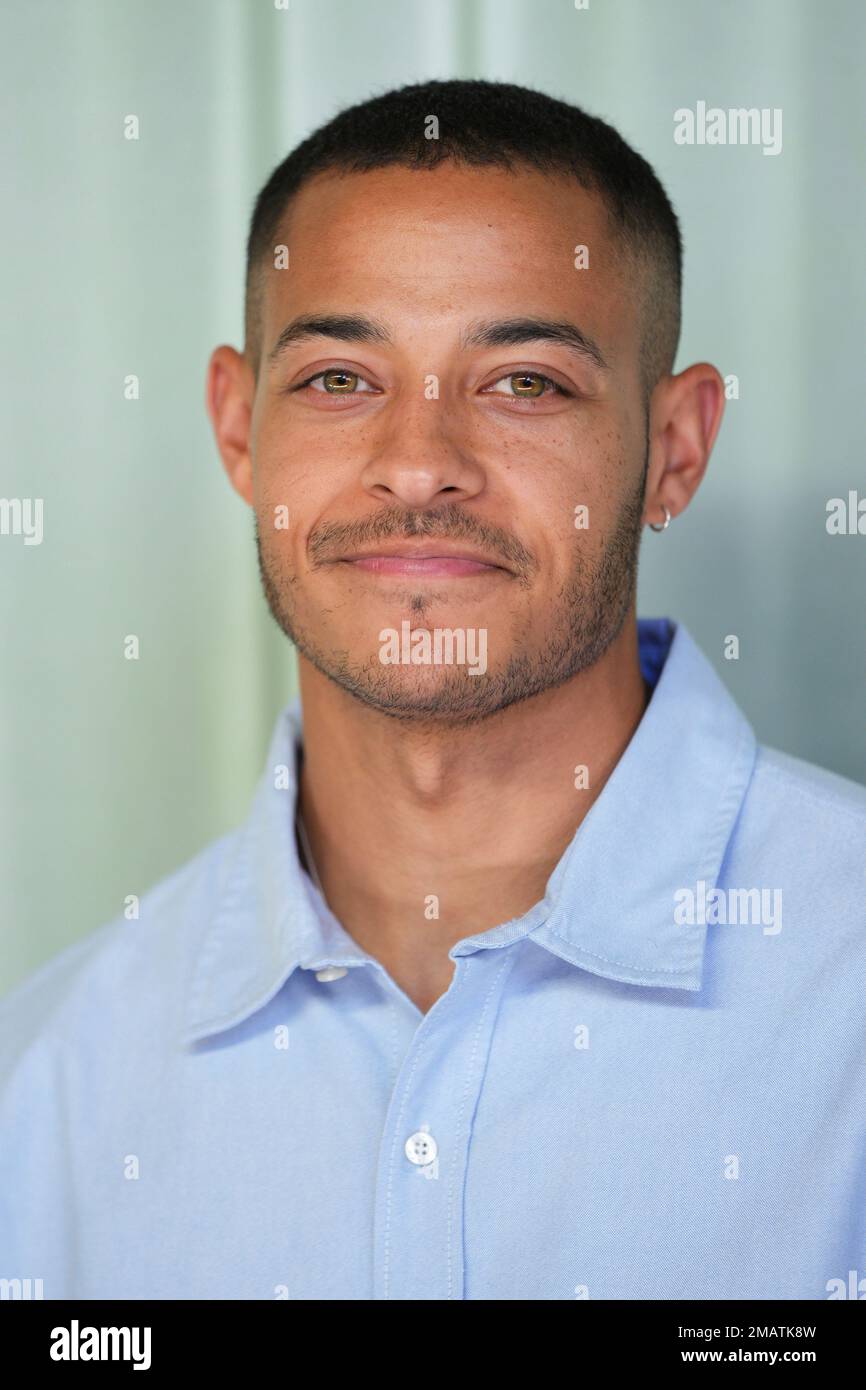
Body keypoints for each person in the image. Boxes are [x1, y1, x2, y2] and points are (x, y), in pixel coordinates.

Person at [2, 79, 865, 1302]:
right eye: (339, 380)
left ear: (674, 448)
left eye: (524, 383)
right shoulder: (45, 1090)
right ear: (239, 431)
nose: (418, 464)